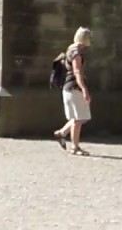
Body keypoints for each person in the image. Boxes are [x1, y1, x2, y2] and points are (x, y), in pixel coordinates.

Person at [53, 27, 93, 155]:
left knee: (79, 117)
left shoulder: (70, 49)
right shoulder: (76, 53)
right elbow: (77, 71)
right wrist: (84, 89)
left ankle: (61, 133)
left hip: (69, 88)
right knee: (78, 118)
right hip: (74, 88)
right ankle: (74, 147)